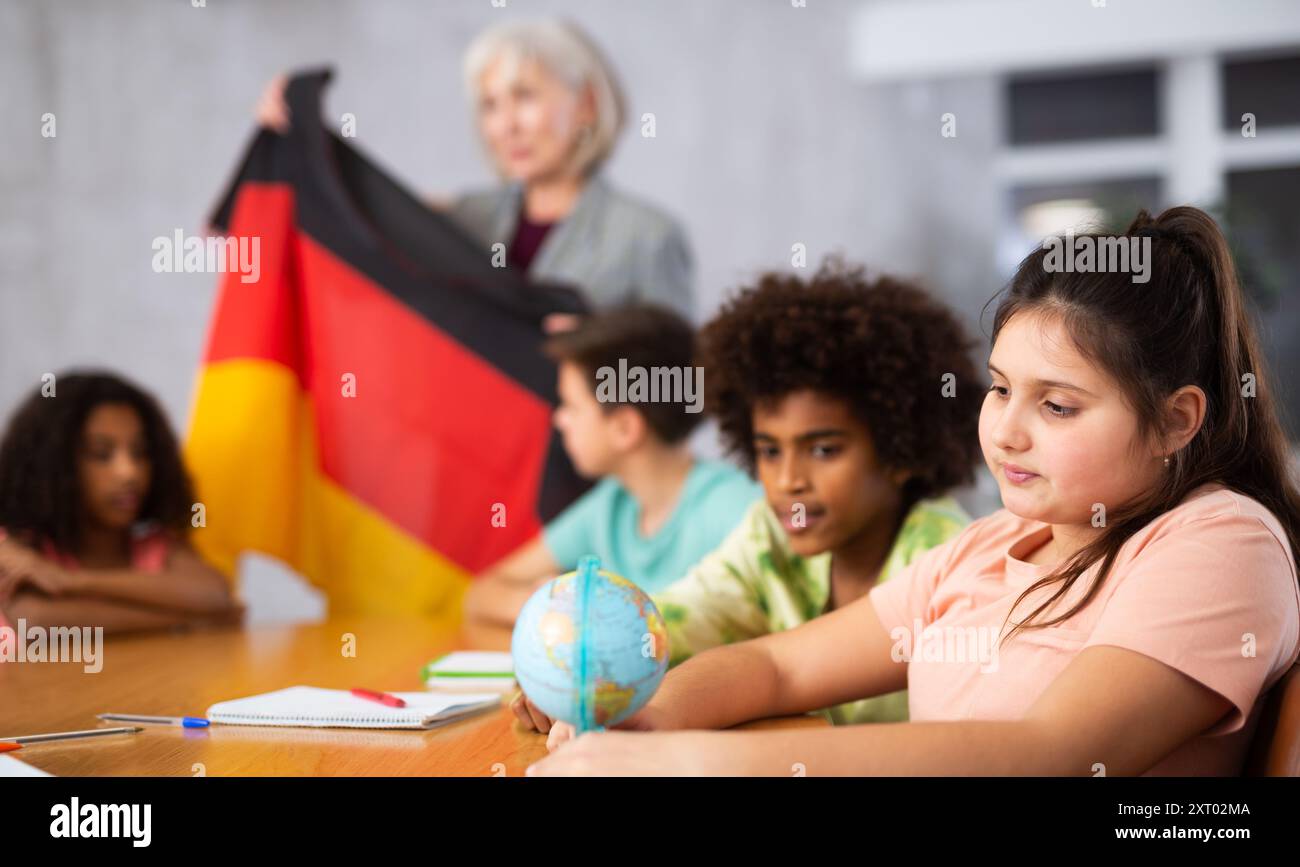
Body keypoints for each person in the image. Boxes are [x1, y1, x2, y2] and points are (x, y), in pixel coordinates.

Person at [527, 207, 1300, 776]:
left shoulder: (1222, 540)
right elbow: (779, 668)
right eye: (1000, 390)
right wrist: (642, 720)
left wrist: (690, 764)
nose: (1005, 432)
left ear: (1176, 420)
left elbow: (1051, 755)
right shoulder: (990, 544)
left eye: (1057, 405)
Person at [510, 260, 981, 731]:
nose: (788, 480)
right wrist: (588, 672)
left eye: (823, 449)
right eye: (769, 451)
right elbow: (683, 616)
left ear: (902, 449)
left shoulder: (950, 560)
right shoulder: (768, 535)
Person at [255, 18, 694, 330]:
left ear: (586, 106)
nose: (506, 125)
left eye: (525, 97)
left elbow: (684, 389)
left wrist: (600, 357)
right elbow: (356, 219)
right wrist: (299, 138)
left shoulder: (648, 237)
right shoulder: (464, 216)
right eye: (490, 105)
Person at [465, 304, 760, 627]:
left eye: (571, 406)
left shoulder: (735, 508)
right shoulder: (611, 505)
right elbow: (482, 594)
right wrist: (556, 606)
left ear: (624, 429)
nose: (559, 419)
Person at [0, 372, 242, 634]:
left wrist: (72, 581)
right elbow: (33, 619)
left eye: (140, 453)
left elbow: (214, 594)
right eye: (101, 454)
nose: (129, 472)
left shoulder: (155, 546)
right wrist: (183, 619)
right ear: (53, 466)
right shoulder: (18, 548)